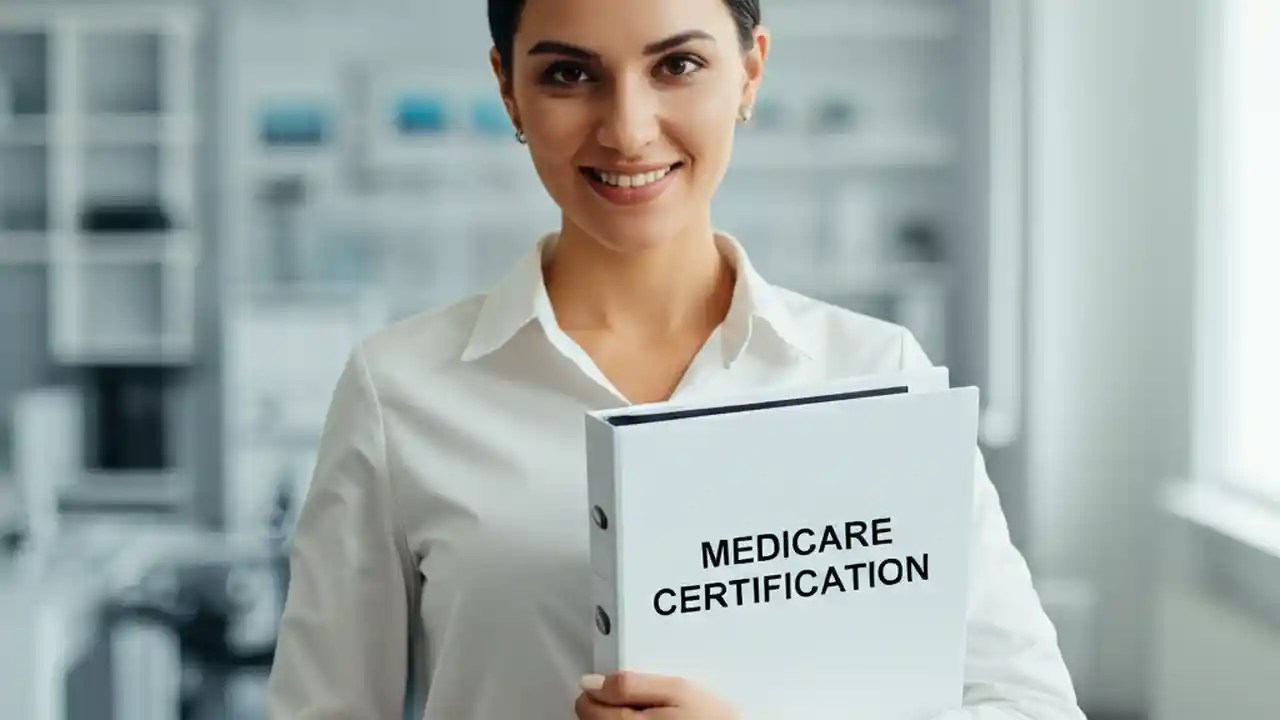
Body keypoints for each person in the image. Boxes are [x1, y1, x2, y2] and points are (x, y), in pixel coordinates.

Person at [265, 0, 1087, 718]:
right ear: (508, 88)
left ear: (751, 71)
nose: (626, 128)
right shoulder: (400, 390)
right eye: (568, 75)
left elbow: (1027, 706)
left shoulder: (874, 373)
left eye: (680, 64)